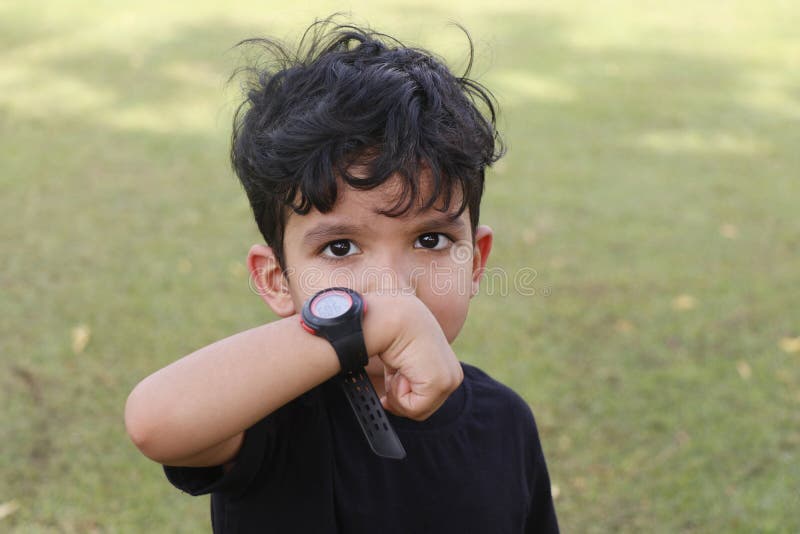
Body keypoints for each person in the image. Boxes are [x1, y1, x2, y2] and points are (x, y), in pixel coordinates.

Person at [125, 16, 559, 533]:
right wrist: (367, 325)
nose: (392, 288)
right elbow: (155, 420)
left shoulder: (505, 422)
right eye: (340, 247)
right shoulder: (267, 412)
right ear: (276, 279)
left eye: (431, 240)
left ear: (476, 261)